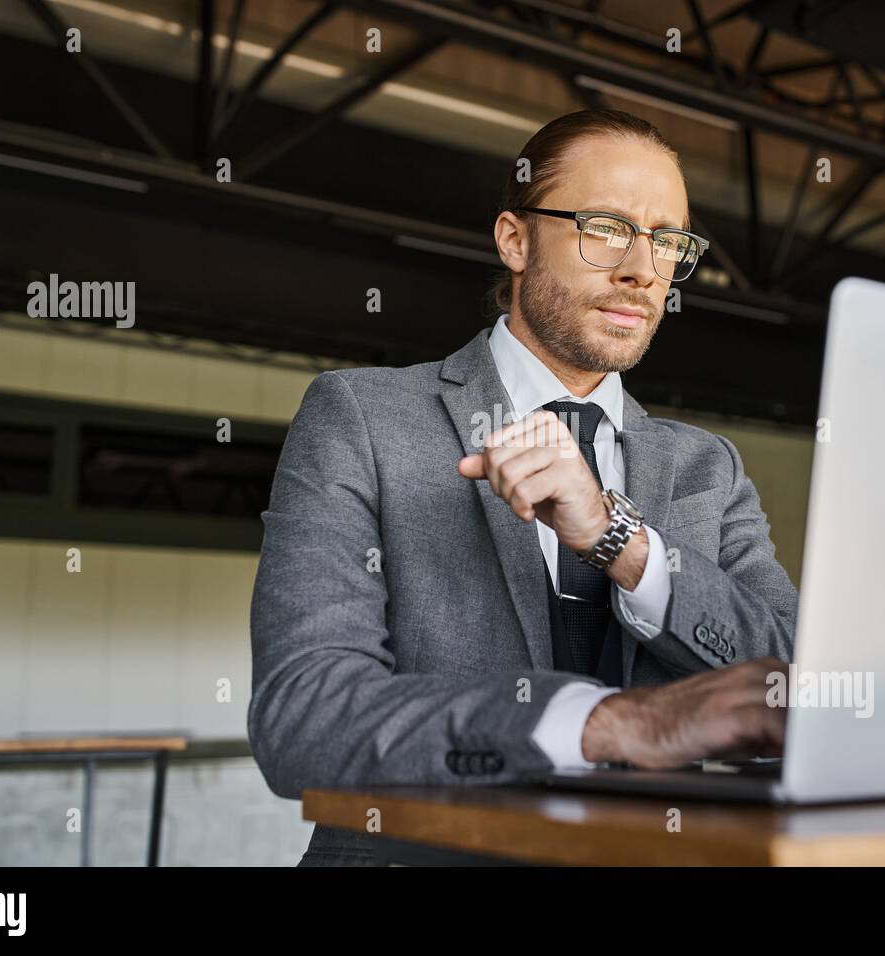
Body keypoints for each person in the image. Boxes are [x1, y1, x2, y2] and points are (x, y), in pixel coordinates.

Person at [249, 109, 797, 866]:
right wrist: (606, 724)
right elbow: (303, 717)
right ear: (514, 239)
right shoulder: (362, 418)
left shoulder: (708, 467)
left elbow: (797, 684)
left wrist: (627, 545)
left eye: (668, 241)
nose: (643, 269)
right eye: (606, 226)